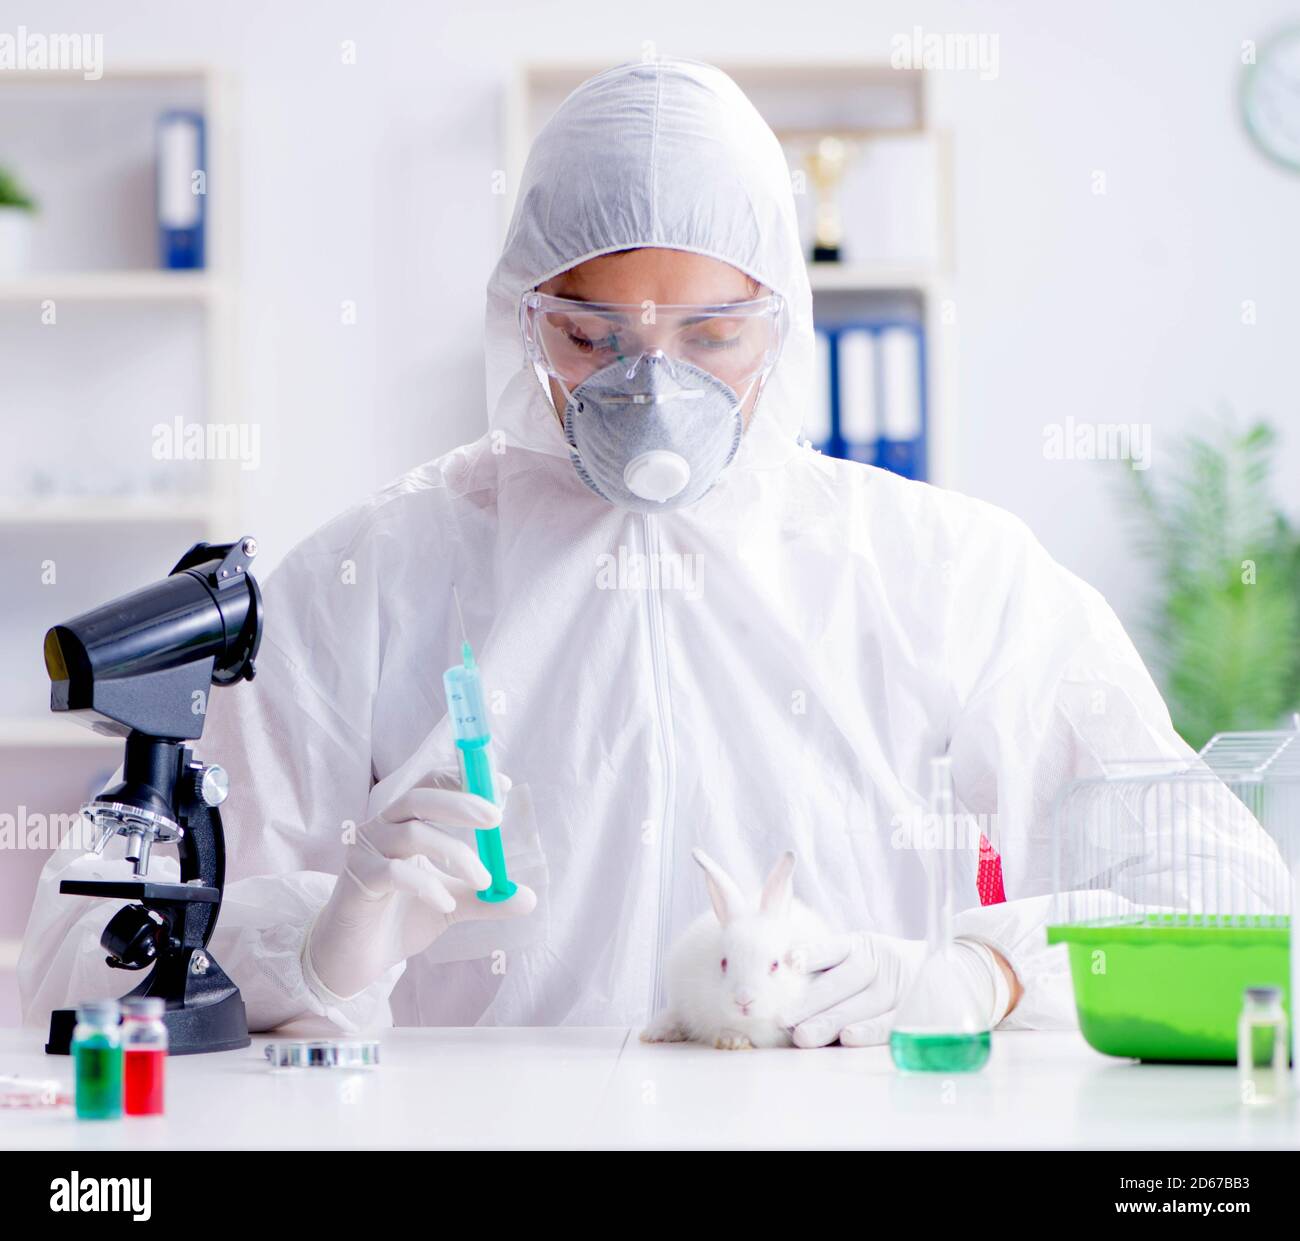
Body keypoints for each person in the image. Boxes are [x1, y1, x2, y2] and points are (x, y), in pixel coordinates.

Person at [20, 59, 1189, 1045]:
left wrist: (986, 974)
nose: (650, 383)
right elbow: (73, 963)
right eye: (591, 334)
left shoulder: (942, 570)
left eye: (713, 334)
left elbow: (1208, 889)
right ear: (520, 317)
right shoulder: (375, 572)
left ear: (785, 321)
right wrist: (312, 946)